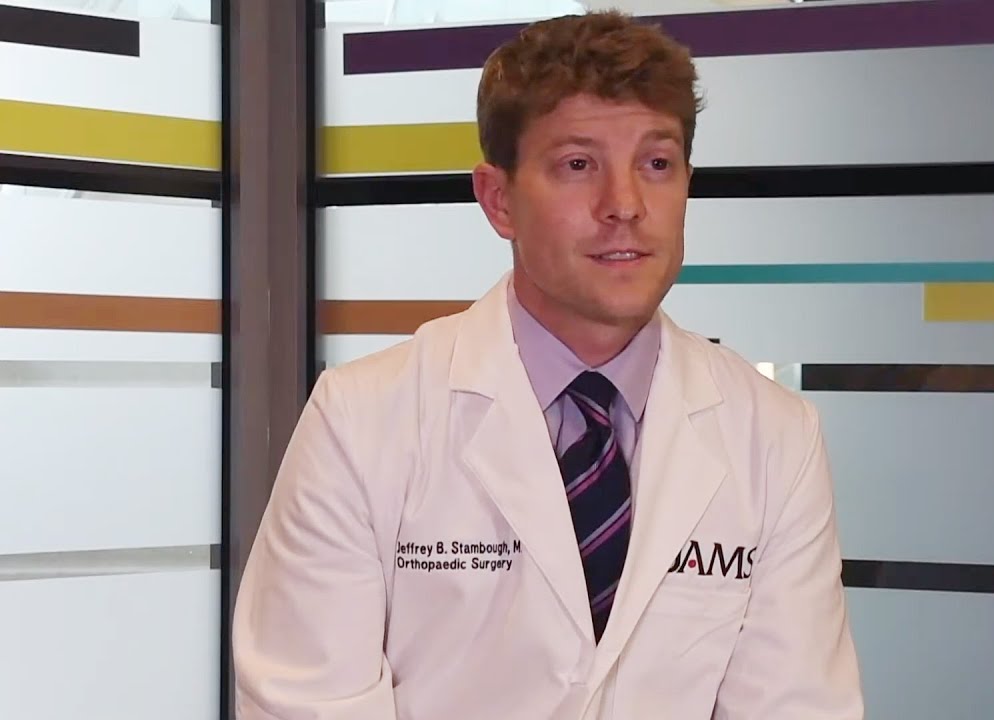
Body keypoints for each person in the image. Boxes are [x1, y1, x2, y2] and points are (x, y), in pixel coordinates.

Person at [231, 10, 864, 719]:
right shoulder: (362, 419)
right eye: (577, 165)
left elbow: (795, 705)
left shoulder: (775, 435)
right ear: (498, 199)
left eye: (656, 164)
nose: (625, 205)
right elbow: (307, 702)